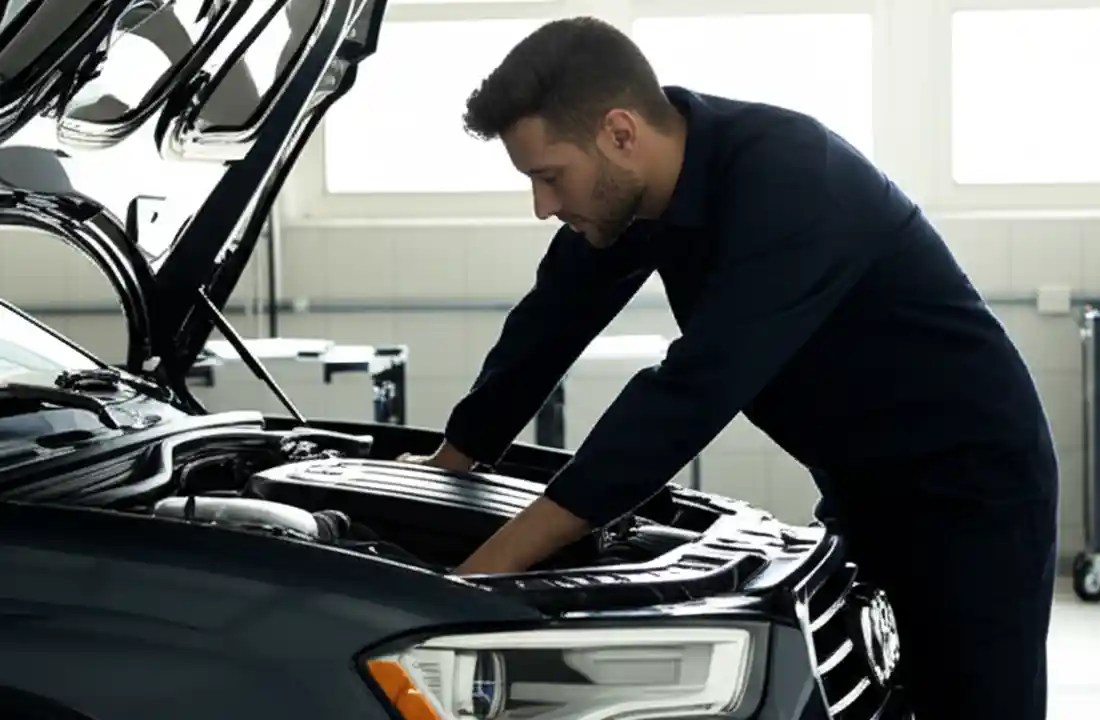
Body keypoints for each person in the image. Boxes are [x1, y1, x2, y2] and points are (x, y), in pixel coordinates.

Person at [398, 15, 1059, 720]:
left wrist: (482, 573)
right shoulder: (638, 190)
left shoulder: (792, 181)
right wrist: (447, 468)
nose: (543, 206)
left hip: (975, 492)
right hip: (862, 488)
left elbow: (689, 393)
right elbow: (552, 319)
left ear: (620, 133)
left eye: (549, 177)